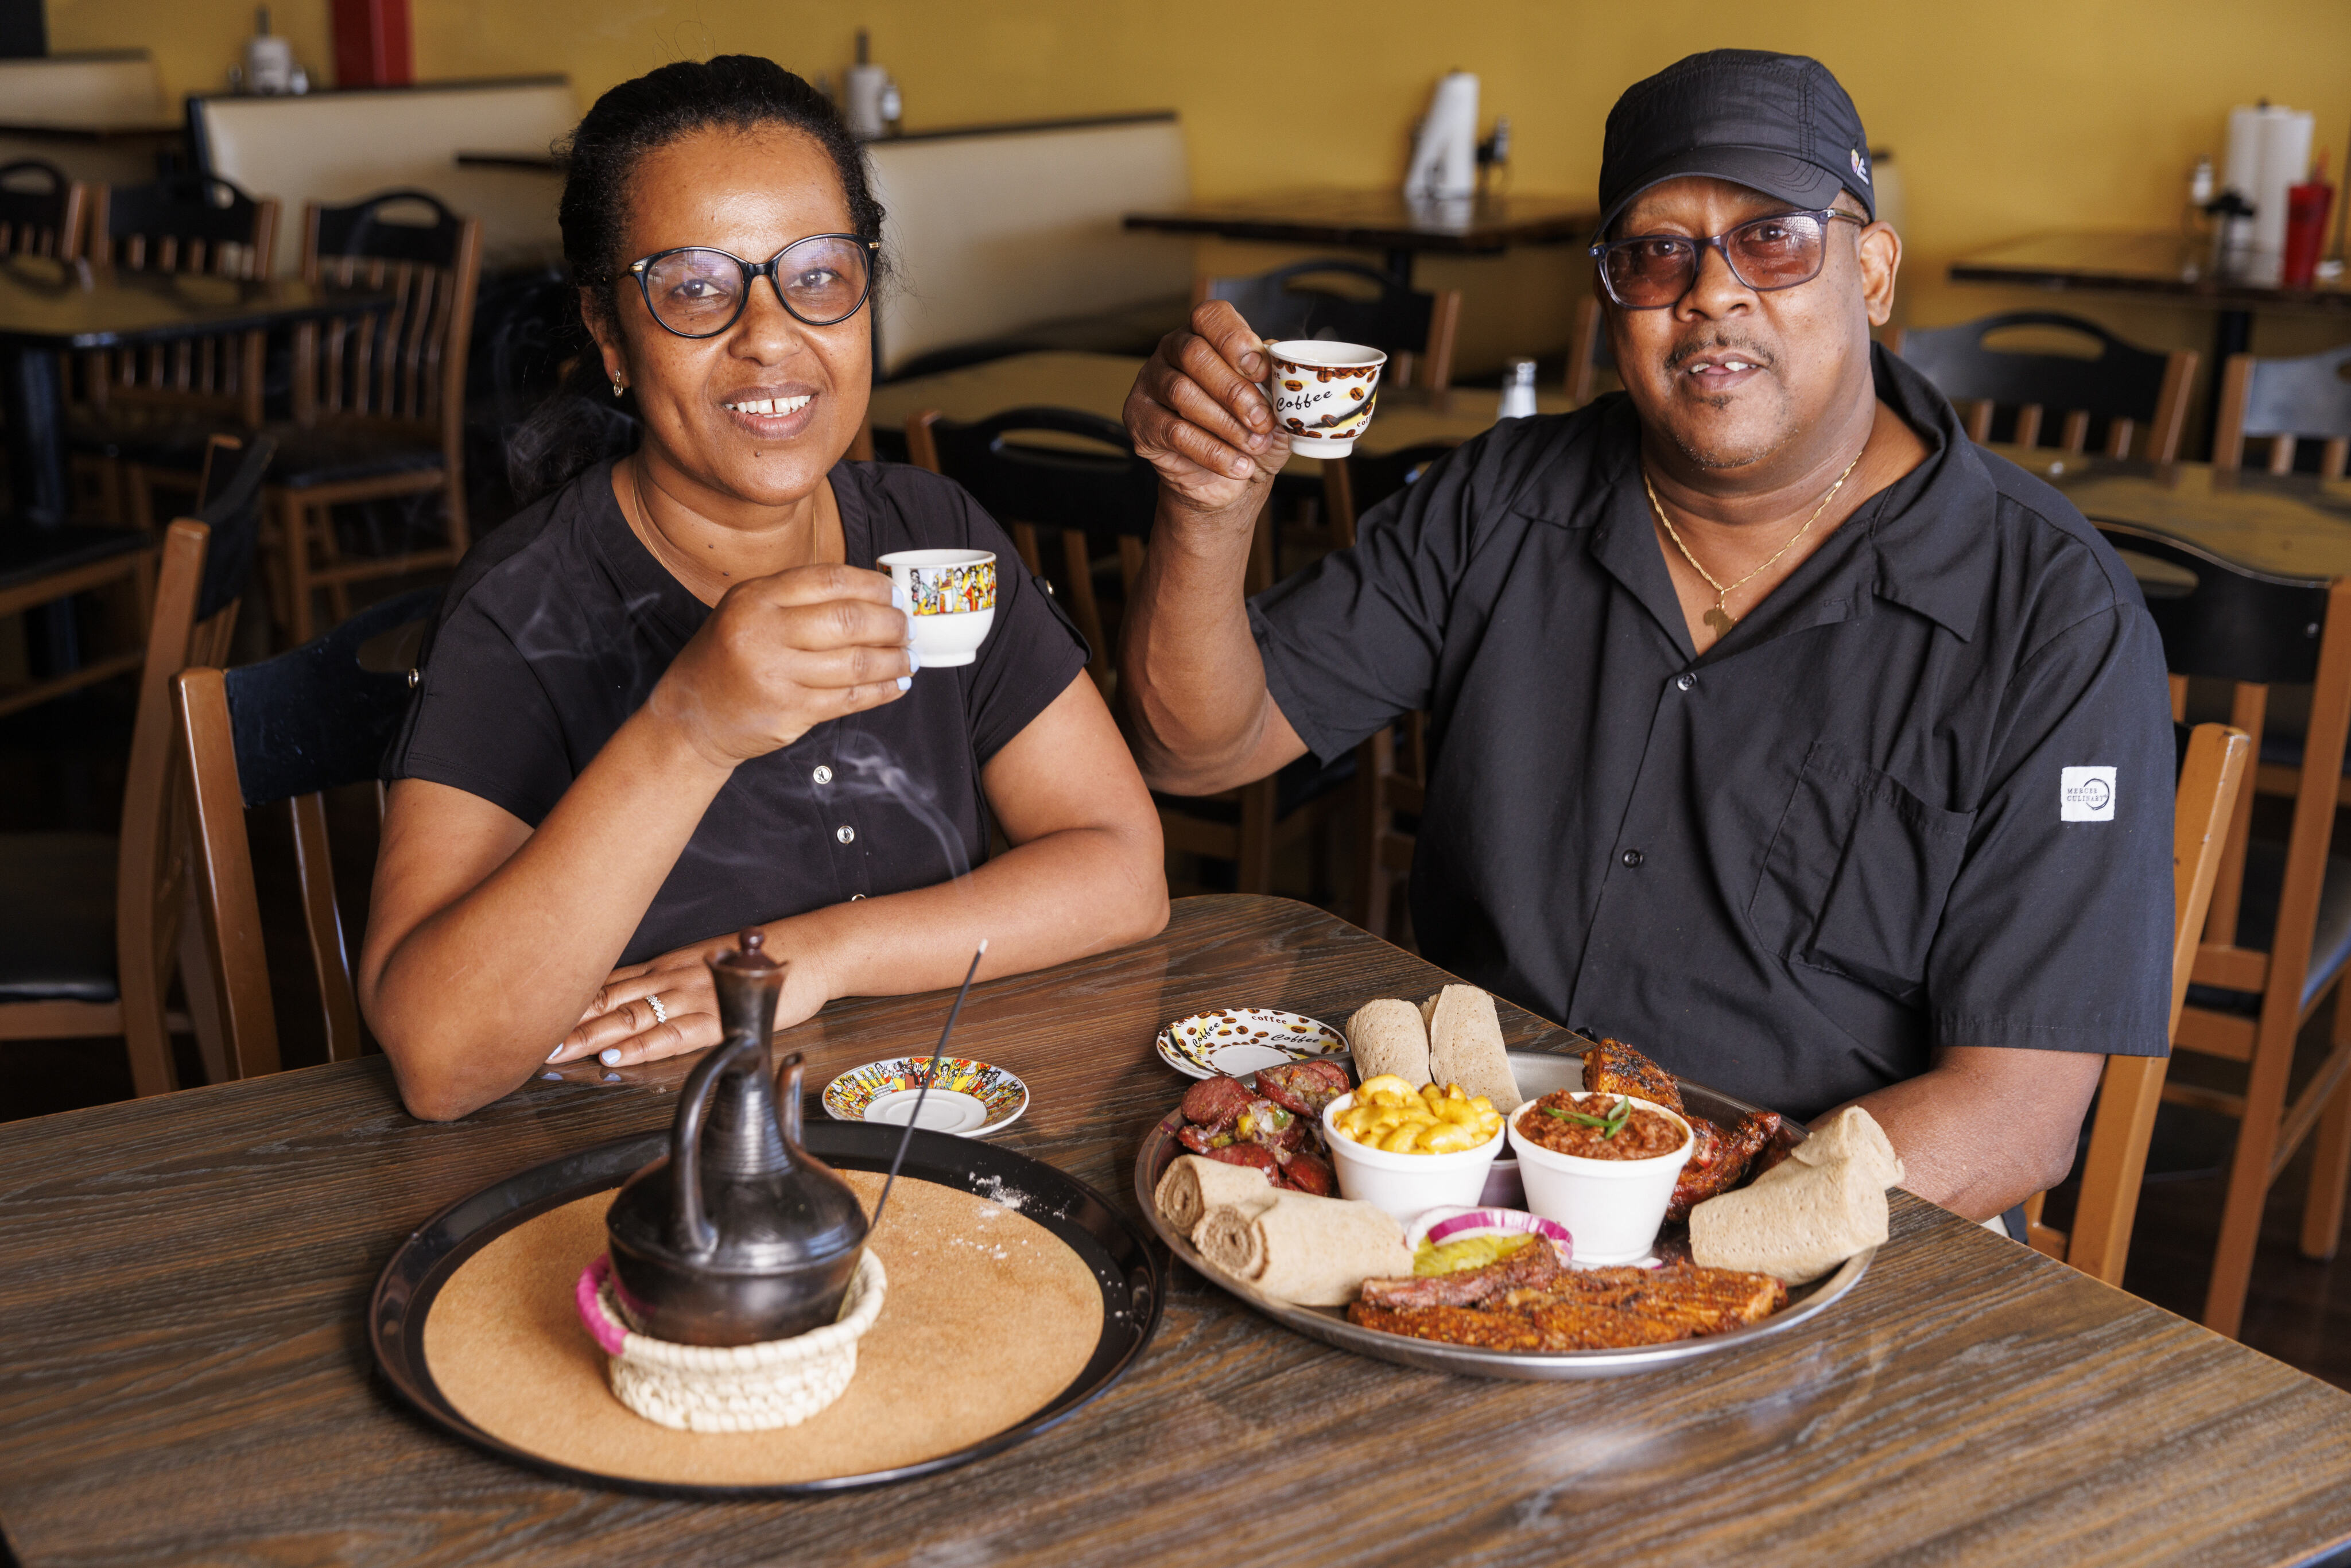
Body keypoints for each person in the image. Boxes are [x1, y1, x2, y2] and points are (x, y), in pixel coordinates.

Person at [1118, 49, 2172, 1228]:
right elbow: (1196, 749)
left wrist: (1662, 1246)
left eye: (1773, 240)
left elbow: (2013, 1117)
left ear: (1871, 272)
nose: (1711, 293)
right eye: (1655, 254)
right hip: (1461, 1184)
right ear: (1610, 298)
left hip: (1816, 1237)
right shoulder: (1499, 501)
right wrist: (1206, 507)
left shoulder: (2050, 618)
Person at [360, 57, 1167, 1121]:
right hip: (655, 1165)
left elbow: (1123, 873)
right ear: (608, 332)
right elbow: (440, 1059)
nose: (772, 337)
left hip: (930, 1133)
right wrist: (690, 727)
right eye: (696, 288)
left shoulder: (933, 541)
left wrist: (813, 959)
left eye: (819, 275)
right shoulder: (523, 610)